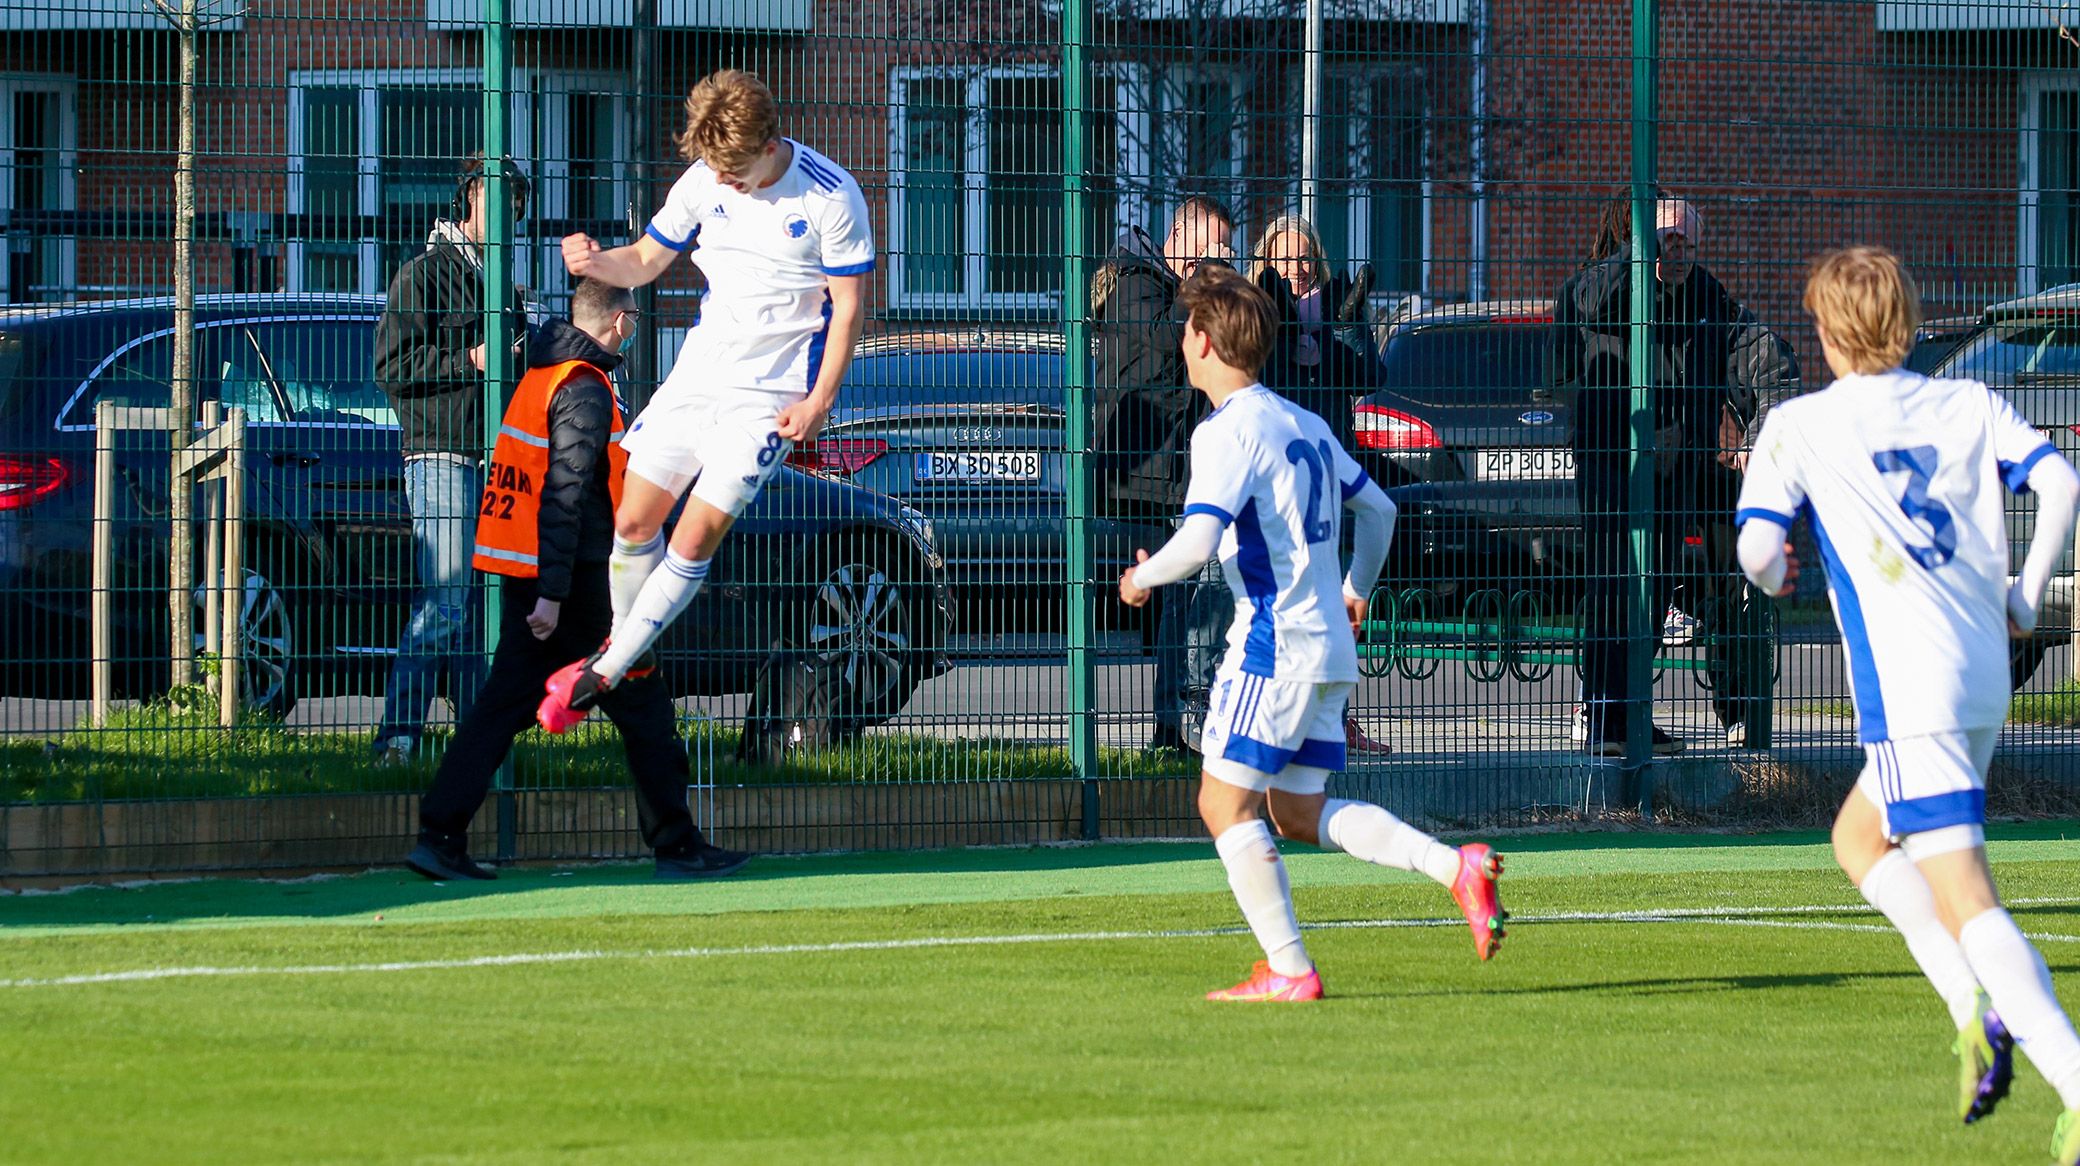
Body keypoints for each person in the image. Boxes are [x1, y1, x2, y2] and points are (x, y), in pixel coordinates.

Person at [1734, 245, 2080, 1159]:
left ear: (1825, 329)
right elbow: (2061, 480)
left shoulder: (1800, 423)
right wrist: (2028, 590)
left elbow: (1759, 555)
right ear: (1909, 321)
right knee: (1858, 838)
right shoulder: (1966, 400)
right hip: (1980, 673)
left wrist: (1776, 581)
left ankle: (2074, 1081)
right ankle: (1974, 1008)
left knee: (1967, 895)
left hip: (1913, 684)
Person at [1117, 265, 1505, 1002]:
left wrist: (1141, 580)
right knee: (1294, 812)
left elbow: (1198, 542)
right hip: (1330, 645)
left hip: (1275, 645)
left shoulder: (1228, 431)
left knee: (1221, 805)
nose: (1183, 344)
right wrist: (1357, 589)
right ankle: (1455, 867)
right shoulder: (1306, 423)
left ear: (1201, 340)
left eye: (1185, 333)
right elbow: (1382, 513)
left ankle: (1291, 970)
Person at [535, 70, 872, 731]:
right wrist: (595, 262)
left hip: (768, 398)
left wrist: (819, 402)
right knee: (633, 524)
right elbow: (643, 261)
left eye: (735, 169)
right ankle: (630, 659)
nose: (723, 182)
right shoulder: (702, 181)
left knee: (694, 536)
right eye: (714, 169)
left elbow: (851, 306)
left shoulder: (833, 196)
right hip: (696, 378)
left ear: (771, 142)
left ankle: (603, 669)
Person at [406, 279, 752, 881]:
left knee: (501, 708)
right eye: (634, 316)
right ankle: (676, 844)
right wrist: (554, 594)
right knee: (642, 707)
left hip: (540, 576)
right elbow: (566, 496)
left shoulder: (545, 375)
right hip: (580, 585)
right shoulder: (585, 388)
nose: (634, 327)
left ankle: (440, 833)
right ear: (620, 320)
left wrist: (545, 589)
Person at [1551, 196, 1798, 755]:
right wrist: (1640, 254)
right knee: (1614, 585)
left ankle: (1631, 715)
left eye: (1686, 239)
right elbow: (1592, 303)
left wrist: (1763, 428)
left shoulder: (1708, 297)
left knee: (1654, 590)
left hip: (1671, 467)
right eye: (1668, 237)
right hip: (1612, 457)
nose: (1677, 248)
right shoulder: (1609, 282)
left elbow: (1766, 356)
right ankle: (1602, 716)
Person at [370, 154, 532, 766]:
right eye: (498, 202)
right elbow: (389, 368)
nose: (509, 216)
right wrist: (470, 360)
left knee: (482, 605)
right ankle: (398, 739)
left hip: (496, 462)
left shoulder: (503, 285)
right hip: (439, 455)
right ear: (469, 197)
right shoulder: (423, 276)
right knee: (445, 598)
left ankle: (478, 743)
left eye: (516, 208)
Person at [1093, 195, 1236, 754]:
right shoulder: (1134, 280)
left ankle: (1182, 723)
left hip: (1182, 469)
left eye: (1221, 251)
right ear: (1178, 237)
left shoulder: (1176, 287)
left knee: (1195, 591)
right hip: (1148, 471)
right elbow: (1164, 340)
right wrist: (1209, 280)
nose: (1212, 262)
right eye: (1205, 249)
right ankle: (1179, 722)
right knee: (1189, 593)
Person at [1248, 212, 1390, 755]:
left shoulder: (1335, 304)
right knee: (1280, 600)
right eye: (1286, 258)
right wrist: (1278, 323)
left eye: (1306, 258)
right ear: (1268, 262)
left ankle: (1334, 718)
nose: (1298, 268)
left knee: (1332, 601)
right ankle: (1279, 720)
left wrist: (1349, 326)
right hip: (1278, 475)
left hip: (1330, 471)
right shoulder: (1258, 306)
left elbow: (1371, 378)